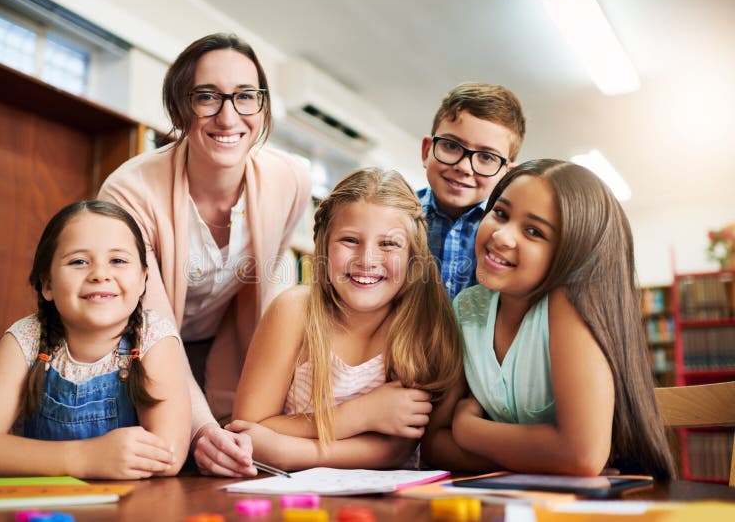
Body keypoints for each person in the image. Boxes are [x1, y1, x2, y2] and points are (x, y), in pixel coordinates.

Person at [98, 33, 312, 476]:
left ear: (263, 107)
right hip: (136, 349)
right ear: (180, 106)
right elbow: (152, 326)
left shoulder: (291, 179)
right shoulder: (129, 192)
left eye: (246, 97)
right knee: (160, 465)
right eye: (207, 96)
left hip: (225, 344)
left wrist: (275, 389)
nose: (228, 116)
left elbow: (275, 270)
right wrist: (198, 428)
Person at [421, 160, 676, 478]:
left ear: (571, 254)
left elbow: (580, 456)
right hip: (518, 502)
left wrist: (468, 430)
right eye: (500, 213)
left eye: (533, 231)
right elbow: (434, 445)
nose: (502, 235)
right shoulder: (468, 307)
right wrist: (539, 460)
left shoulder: (566, 304)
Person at [228, 168, 463, 470]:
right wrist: (358, 415)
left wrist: (283, 450)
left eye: (388, 244)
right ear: (324, 245)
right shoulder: (294, 311)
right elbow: (247, 430)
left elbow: (393, 452)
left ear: (413, 254)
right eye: (350, 240)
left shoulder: (420, 329)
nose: (367, 259)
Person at [0, 201, 190, 479]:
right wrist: (84, 457)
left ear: (144, 279)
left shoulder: (153, 338)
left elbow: (167, 456)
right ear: (47, 283)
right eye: (78, 262)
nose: (100, 274)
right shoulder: (27, 338)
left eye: (118, 260)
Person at [418, 82, 526, 299]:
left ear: (507, 175)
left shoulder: (511, 241)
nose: (464, 167)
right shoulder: (394, 216)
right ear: (427, 151)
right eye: (451, 146)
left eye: (487, 157)